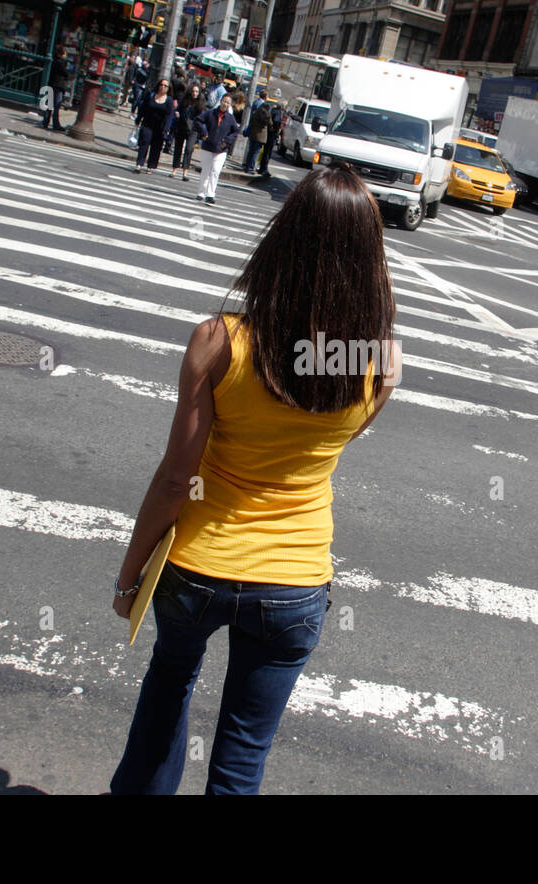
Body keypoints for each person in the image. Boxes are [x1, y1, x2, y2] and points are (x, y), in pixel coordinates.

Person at [108, 164, 399, 795]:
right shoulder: (381, 361)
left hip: (196, 567)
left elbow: (174, 480)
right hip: (294, 582)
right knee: (243, 754)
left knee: (166, 698)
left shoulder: (220, 342)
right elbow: (335, 440)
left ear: (282, 239)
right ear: (369, 258)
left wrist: (129, 575)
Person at [194, 93, 241, 204]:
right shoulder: (211, 113)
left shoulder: (230, 118)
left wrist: (227, 141)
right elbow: (198, 121)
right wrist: (204, 133)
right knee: (205, 171)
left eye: (228, 103)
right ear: (220, 101)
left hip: (221, 149)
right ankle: (201, 192)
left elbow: (235, 132)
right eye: (224, 101)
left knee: (215, 171)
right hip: (208, 147)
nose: (225, 104)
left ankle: (210, 194)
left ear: (230, 105)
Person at [133, 77, 176, 174]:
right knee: (144, 143)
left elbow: (169, 116)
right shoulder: (151, 95)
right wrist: (138, 120)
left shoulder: (169, 100)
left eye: (165, 86)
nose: (163, 87)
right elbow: (143, 109)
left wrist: (166, 129)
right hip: (147, 124)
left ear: (168, 88)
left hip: (159, 128)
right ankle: (139, 164)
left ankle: (150, 166)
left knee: (156, 147)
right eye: (161, 85)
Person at [171, 83, 206, 181]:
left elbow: (202, 118)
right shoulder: (184, 101)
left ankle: (185, 172)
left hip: (193, 129)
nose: (195, 93)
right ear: (190, 92)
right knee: (178, 148)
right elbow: (178, 110)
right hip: (182, 126)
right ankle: (174, 169)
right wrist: (177, 113)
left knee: (189, 149)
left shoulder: (200, 104)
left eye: (197, 92)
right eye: (193, 91)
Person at [43, 45, 71, 131]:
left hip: (52, 84)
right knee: (56, 105)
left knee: (50, 105)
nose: (66, 55)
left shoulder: (55, 61)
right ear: (62, 54)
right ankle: (56, 124)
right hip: (58, 86)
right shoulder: (61, 62)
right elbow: (66, 73)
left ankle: (45, 121)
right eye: (65, 53)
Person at [242, 89, 270, 174]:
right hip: (259, 132)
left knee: (251, 149)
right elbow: (266, 121)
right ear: (265, 97)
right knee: (255, 151)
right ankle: (250, 168)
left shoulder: (255, 102)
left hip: (252, 130)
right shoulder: (263, 107)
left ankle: (247, 166)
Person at [259, 93, 283, 177]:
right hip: (272, 134)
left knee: (265, 151)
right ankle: (264, 169)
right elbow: (276, 121)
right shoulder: (278, 112)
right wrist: (276, 128)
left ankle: (262, 168)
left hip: (269, 133)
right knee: (268, 152)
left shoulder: (272, 110)